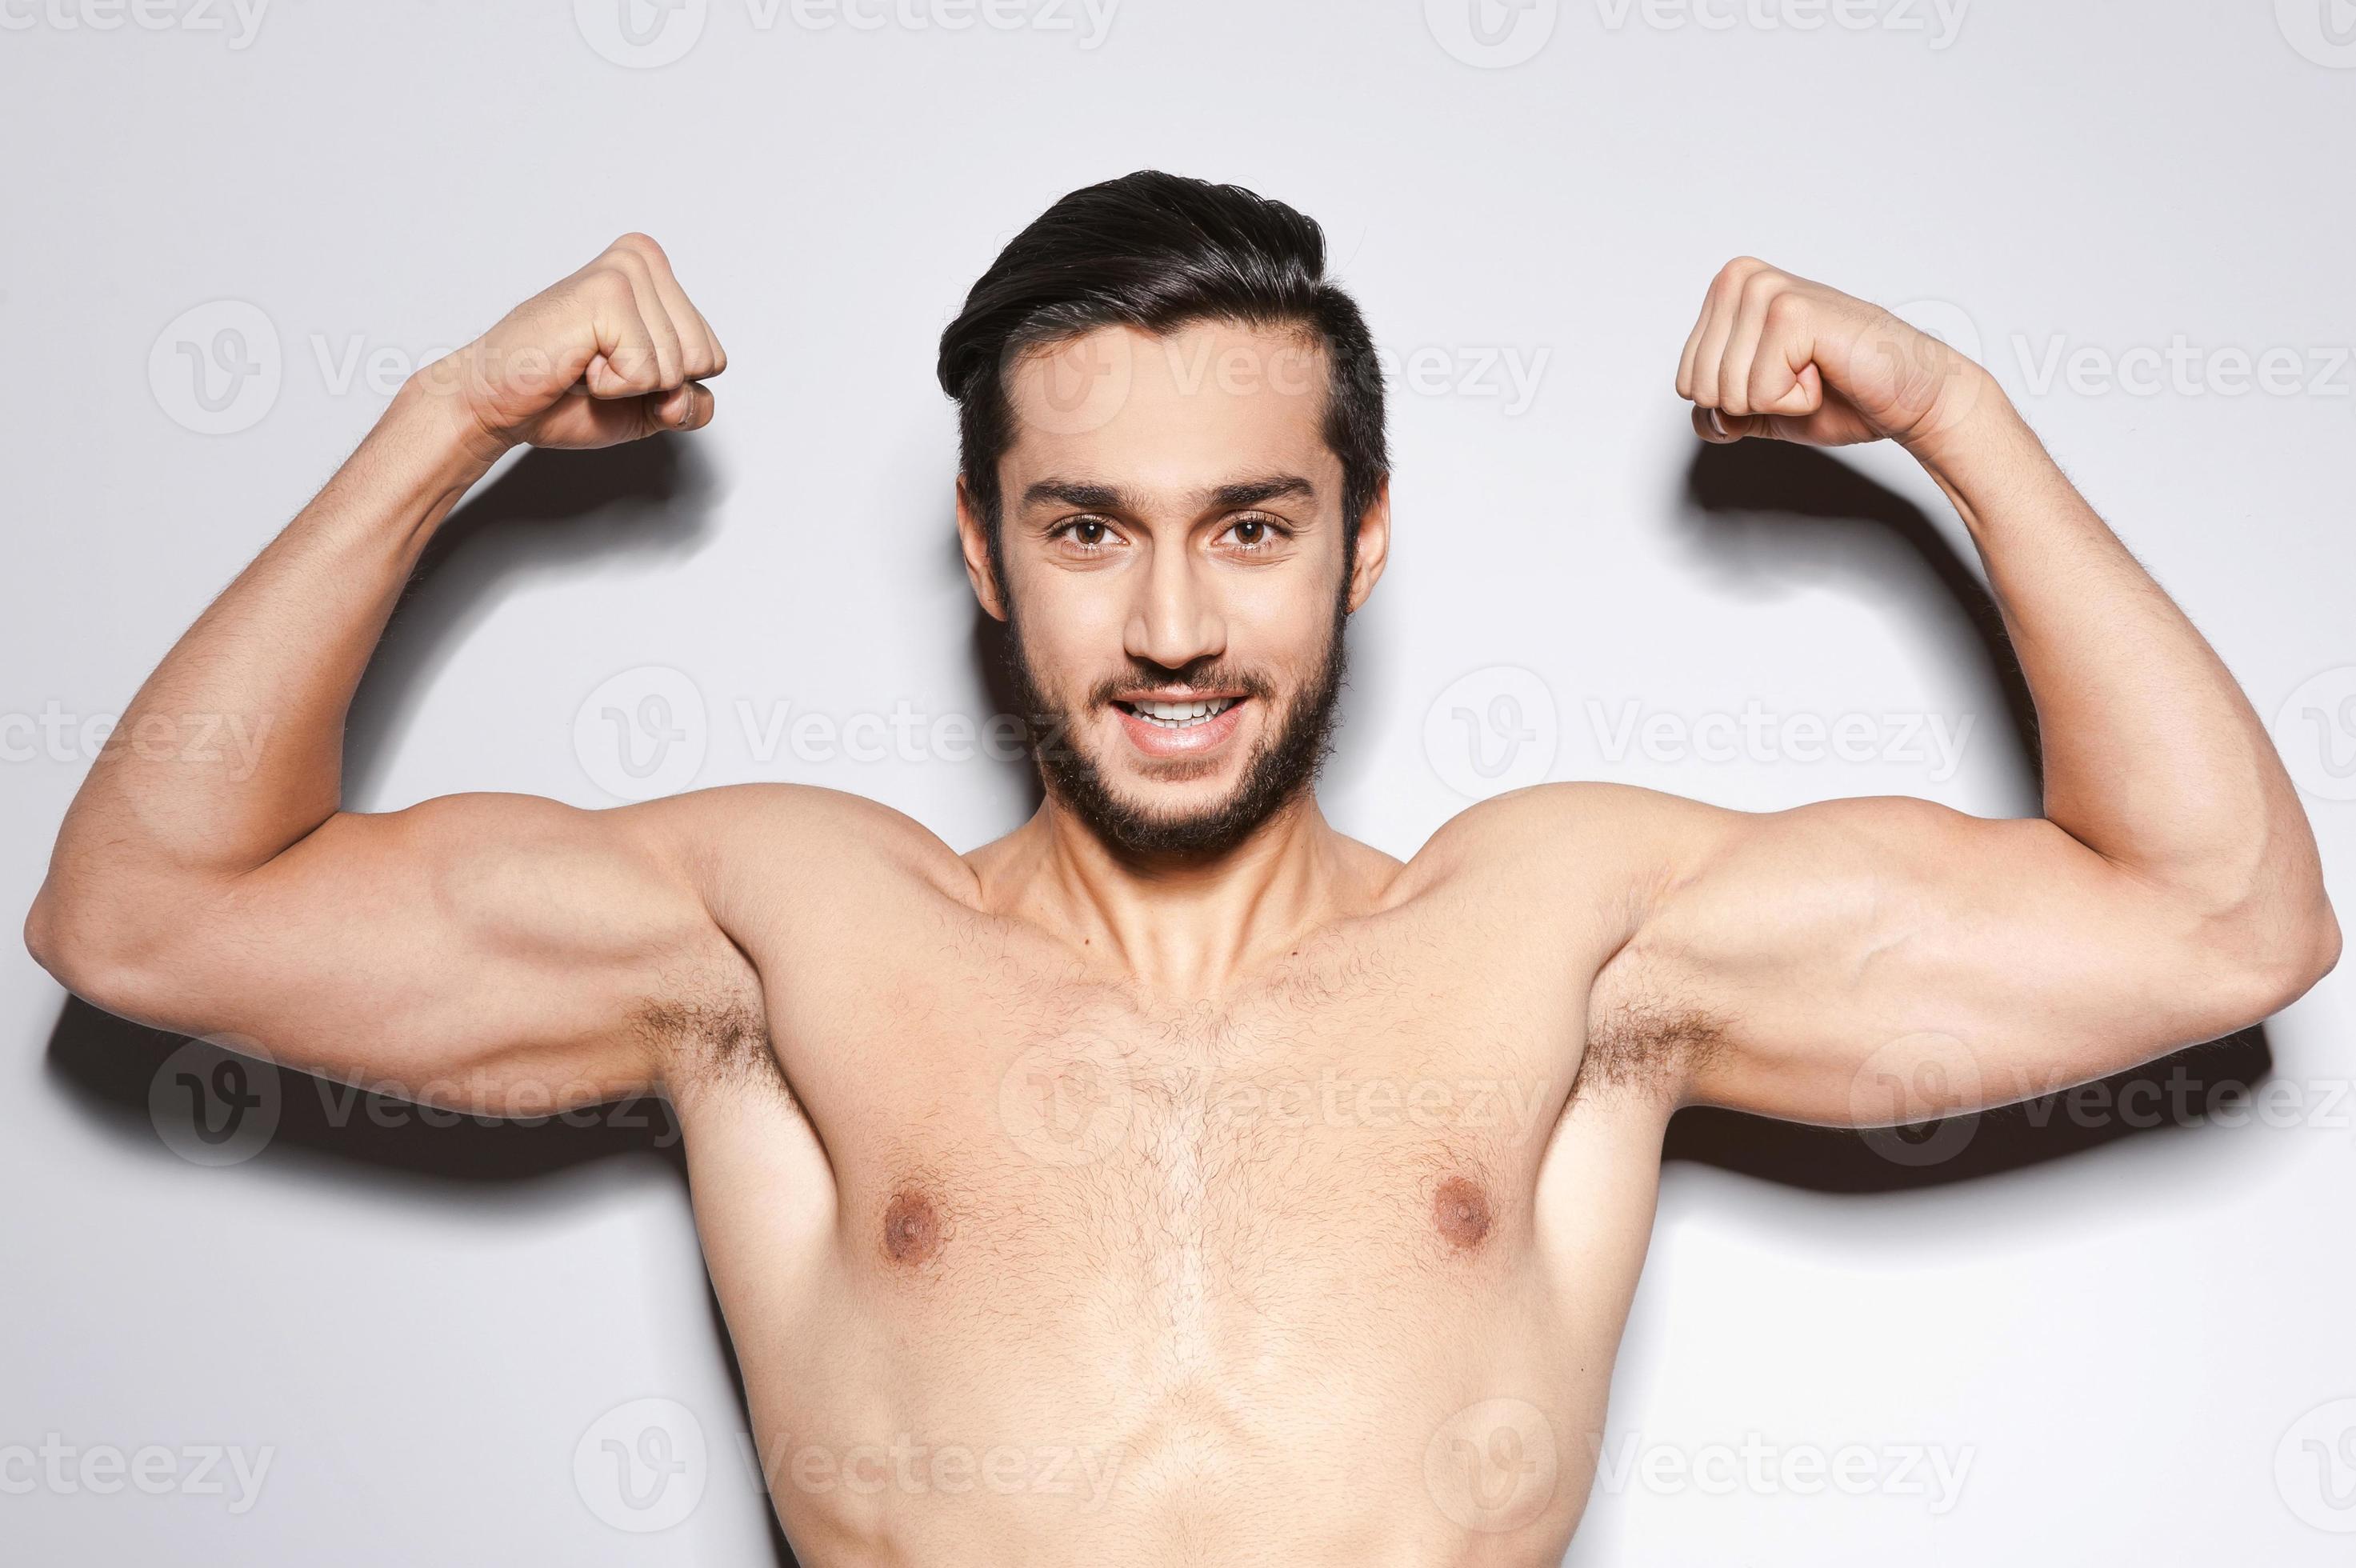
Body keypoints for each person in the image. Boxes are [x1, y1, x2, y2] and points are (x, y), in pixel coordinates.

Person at [25, 170, 2338, 1562]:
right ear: (981, 553)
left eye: (1249, 528)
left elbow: (2218, 922)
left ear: (1361, 543)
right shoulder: (784, 930)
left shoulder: (1565, 933)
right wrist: (444, 425)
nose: (1165, 628)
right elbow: (143, 917)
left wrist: (1956, 418)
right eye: (1083, 531)